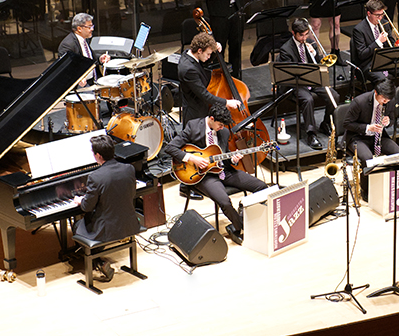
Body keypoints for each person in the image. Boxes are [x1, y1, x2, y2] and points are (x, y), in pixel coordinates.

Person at [165, 105, 268, 245]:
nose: (221, 127)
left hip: (224, 171)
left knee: (262, 187)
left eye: (223, 125)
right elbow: (170, 148)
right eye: (219, 124)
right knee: (224, 201)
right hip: (204, 176)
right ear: (211, 119)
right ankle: (241, 228)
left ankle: (243, 216)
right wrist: (192, 158)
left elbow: (223, 156)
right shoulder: (194, 126)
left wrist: (233, 159)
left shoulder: (224, 132)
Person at [72, 135, 140, 281]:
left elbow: (86, 207)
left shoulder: (95, 177)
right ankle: (97, 259)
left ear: (98, 155)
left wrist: (80, 200)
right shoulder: (129, 168)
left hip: (107, 229)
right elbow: (131, 194)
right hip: (129, 223)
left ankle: (97, 261)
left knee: (77, 225)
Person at [277, 18, 340, 150]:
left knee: (334, 96)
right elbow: (290, 73)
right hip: (295, 84)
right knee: (308, 99)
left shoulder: (311, 43)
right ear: (294, 33)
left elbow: (318, 66)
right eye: (301, 35)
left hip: (312, 80)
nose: (304, 38)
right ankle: (311, 134)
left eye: (306, 34)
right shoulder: (286, 49)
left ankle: (325, 123)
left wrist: (314, 53)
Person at [343, 78, 399, 200]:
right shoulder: (360, 101)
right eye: (383, 99)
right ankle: (366, 189)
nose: (385, 102)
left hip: (379, 136)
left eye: (388, 100)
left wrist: (388, 122)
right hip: (358, 137)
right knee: (367, 159)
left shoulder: (389, 101)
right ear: (376, 93)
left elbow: (392, 119)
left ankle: (394, 184)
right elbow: (347, 124)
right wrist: (367, 127)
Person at [178, 32, 241, 125]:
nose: (209, 57)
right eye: (208, 54)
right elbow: (205, 95)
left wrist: (215, 50)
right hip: (196, 114)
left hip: (200, 108)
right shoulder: (188, 70)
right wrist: (227, 102)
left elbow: (203, 63)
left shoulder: (188, 54)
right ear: (199, 50)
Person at [57, 12, 111, 86]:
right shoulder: (67, 45)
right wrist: (77, 78)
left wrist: (100, 59)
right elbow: (66, 69)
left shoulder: (85, 39)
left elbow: (87, 58)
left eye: (92, 26)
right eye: (89, 27)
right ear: (79, 29)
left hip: (92, 81)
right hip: (80, 86)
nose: (92, 29)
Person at [350, 0, 393, 85]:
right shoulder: (359, 29)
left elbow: (391, 44)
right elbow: (362, 54)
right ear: (369, 13)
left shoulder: (385, 24)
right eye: (377, 15)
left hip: (385, 60)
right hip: (368, 64)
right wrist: (378, 42)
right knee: (383, 80)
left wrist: (397, 45)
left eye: (382, 14)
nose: (380, 18)